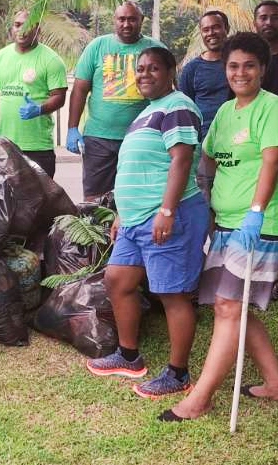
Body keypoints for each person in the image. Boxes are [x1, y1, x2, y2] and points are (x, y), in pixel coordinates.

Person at [159, 32, 278, 422]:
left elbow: (272, 162)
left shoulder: (274, 107)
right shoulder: (224, 111)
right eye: (233, 66)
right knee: (235, 307)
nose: (240, 73)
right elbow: (210, 160)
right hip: (225, 223)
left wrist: (256, 211)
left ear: (263, 69)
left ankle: (200, 397)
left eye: (249, 66)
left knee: (228, 306)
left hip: (259, 224)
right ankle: (277, 384)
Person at [85, 47, 208, 400]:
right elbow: (136, 166)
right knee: (117, 279)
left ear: (172, 71)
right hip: (135, 220)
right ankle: (128, 356)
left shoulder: (178, 106)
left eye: (154, 68)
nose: (144, 74)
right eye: (140, 69)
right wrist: (122, 213)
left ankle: (178, 374)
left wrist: (167, 211)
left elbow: (181, 160)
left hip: (167, 215)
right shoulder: (147, 112)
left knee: (172, 294)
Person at [66, 1, 165, 201]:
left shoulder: (156, 49)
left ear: (141, 20)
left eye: (132, 19)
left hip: (142, 137)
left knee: (136, 196)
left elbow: (168, 91)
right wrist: (72, 128)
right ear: (114, 20)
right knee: (95, 199)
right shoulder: (97, 46)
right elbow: (80, 89)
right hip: (99, 138)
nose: (126, 24)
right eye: (122, 19)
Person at [0, 10, 69, 177]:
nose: (21, 30)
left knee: (38, 194)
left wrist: (39, 109)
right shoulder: (0, 57)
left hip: (37, 147)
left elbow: (59, 97)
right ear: (12, 28)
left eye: (27, 25)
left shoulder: (51, 60)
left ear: (38, 29)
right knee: (3, 193)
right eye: (17, 25)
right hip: (5, 146)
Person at [178, 9, 231, 201]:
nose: (211, 33)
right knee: (205, 197)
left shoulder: (237, 64)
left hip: (236, 138)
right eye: (206, 29)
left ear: (226, 29)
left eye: (216, 27)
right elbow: (185, 109)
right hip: (203, 144)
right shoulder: (192, 69)